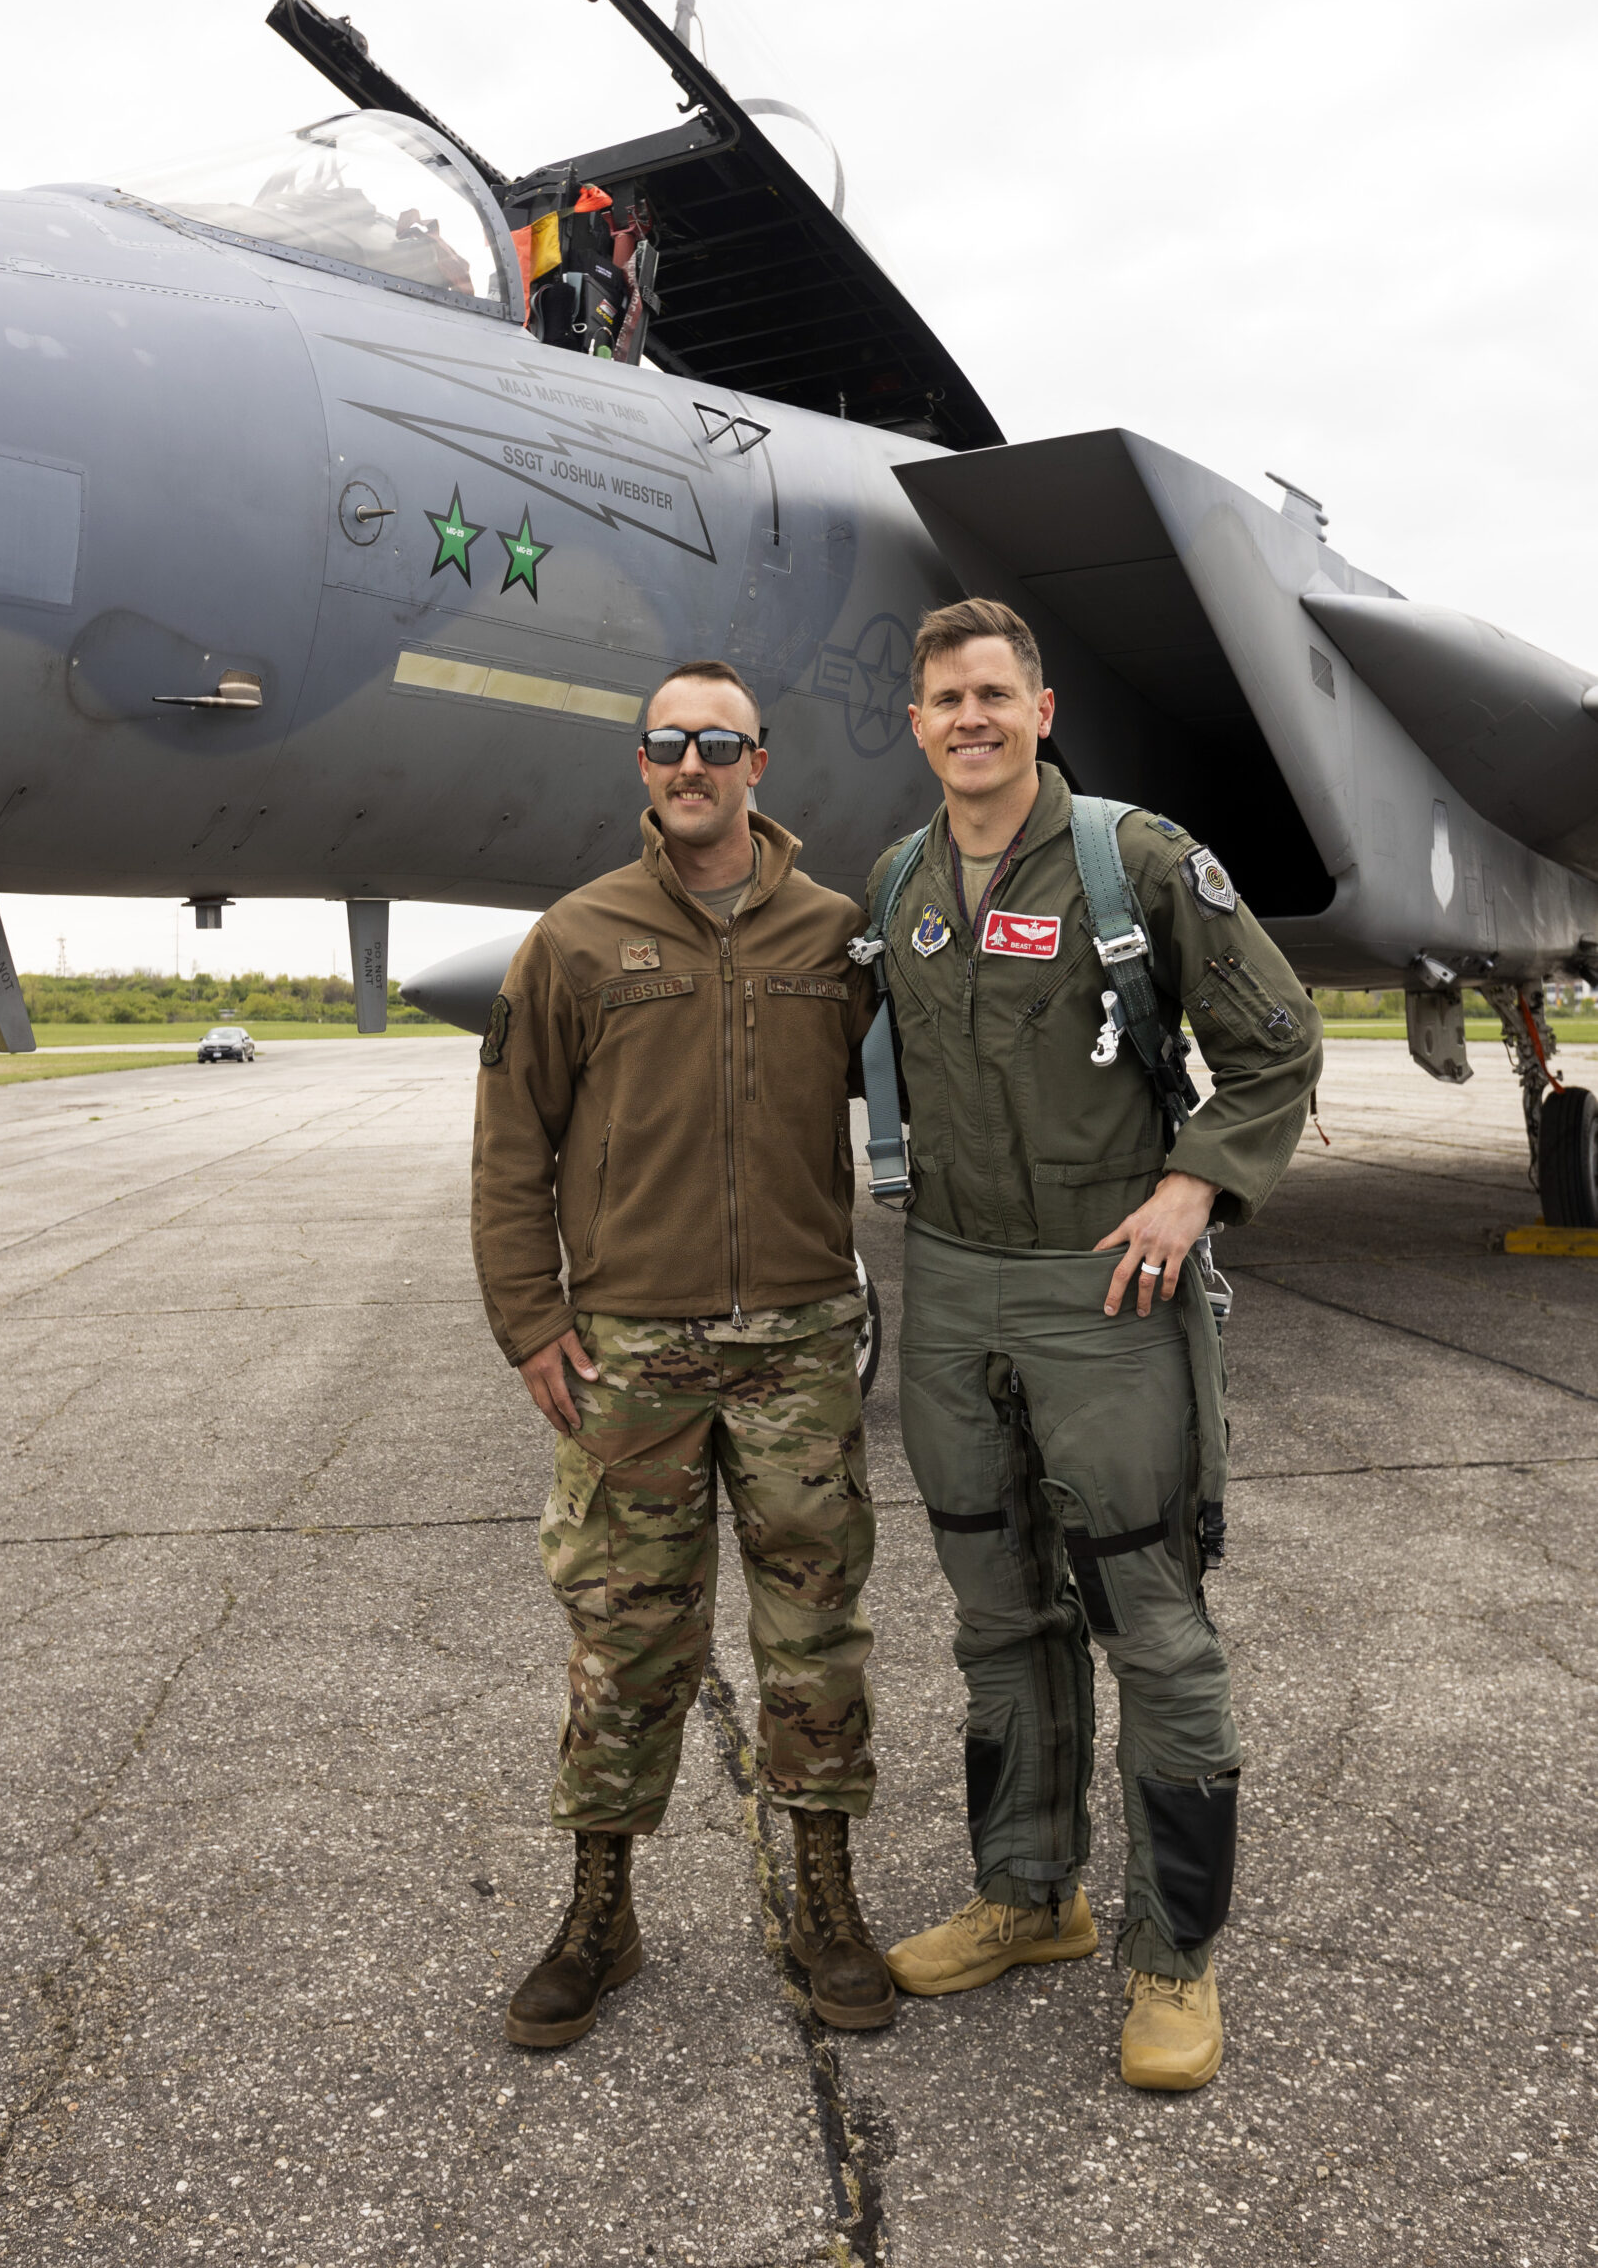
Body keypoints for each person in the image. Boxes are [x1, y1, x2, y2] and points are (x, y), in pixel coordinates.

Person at [867, 598, 1321, 2091]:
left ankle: (1176, 1963)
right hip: (952, 1291)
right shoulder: (900, 879)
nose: (971, 718)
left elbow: (1277, 1037)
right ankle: (1026, 1897)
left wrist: (1193, 1186)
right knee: (997, 1622)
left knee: (1159, 1632)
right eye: (946, 698)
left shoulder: (1134, 861)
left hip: (1106, 1296)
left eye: (996, 693)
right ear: (919, 721)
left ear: (1041, 711)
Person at [472, 658, 895, 2049]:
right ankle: (603, 1910)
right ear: (642, 765)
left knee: (814, 1637)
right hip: (631, 1354)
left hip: (800, 1345)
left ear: (760, 761)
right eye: (669, 742)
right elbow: (510, 1142)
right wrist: (533, 1317)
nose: (692, 762)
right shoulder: (577, 938)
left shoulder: (836, 934)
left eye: (719, 741)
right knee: (624, 1643)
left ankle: (825, 1901)